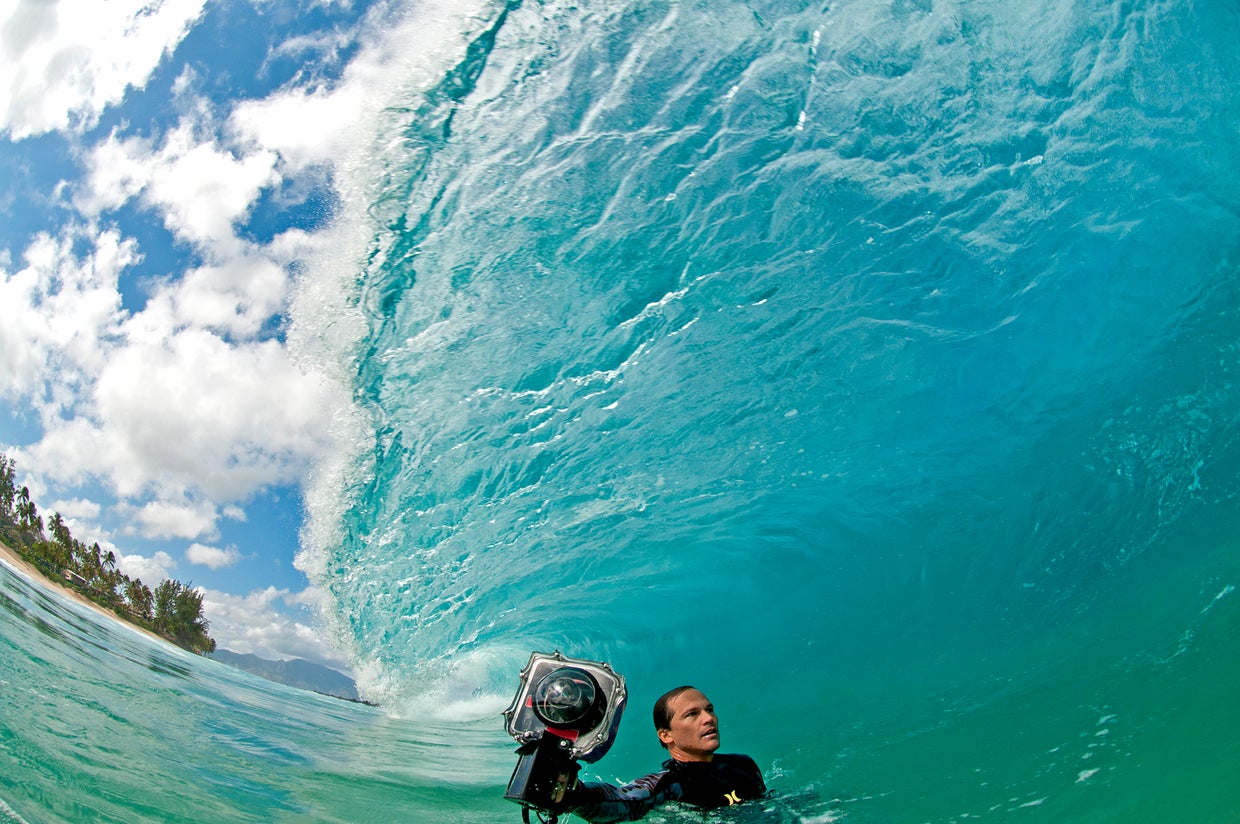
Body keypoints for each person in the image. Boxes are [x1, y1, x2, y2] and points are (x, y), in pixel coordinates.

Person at [561, 685, 766, 822]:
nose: (708, 718)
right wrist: (571, 793)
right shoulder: (668, 786)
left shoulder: (743, 764)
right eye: (692, 714)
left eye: (709, 710)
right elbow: (620, 800)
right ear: (666, 735)